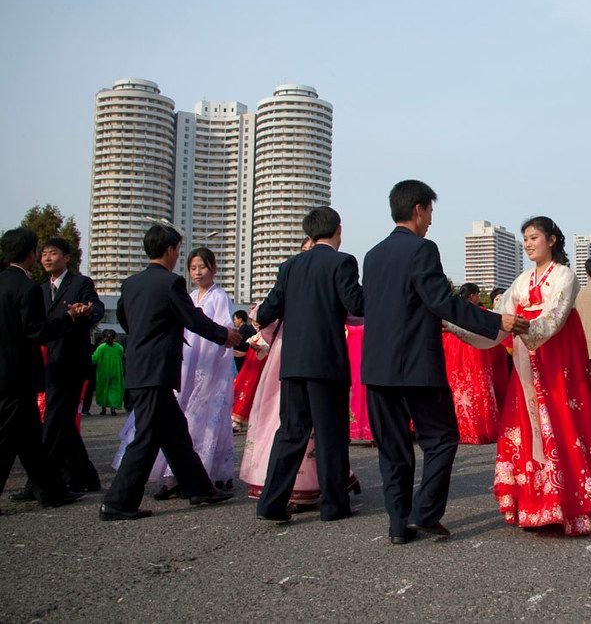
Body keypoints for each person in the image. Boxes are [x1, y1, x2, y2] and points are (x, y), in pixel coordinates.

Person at [361, 180, 526, 545]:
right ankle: (425, 512)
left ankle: (398, 526)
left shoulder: (372, 256)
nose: (432, 220)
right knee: (442, 439)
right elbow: (442, 302)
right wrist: (495, 320)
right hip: (416, 367)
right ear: (418, 209)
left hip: (376, 368)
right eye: (431, 212)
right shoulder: (422, 250)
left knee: (393, 450)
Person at [454, 217, 591, 535]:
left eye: (534, 237)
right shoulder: (520, 282)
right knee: (526, 428)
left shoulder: (565, 275)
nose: (527, 243)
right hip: (526, 370)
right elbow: (497, 320)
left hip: (556, 366)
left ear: (551, 240)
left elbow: (555, 315)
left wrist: (524, 327)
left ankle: (571, 504)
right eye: (525, 238)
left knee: (562, 423)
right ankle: (533, 504)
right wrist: (458, 325)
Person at [100, 225, 239, 520]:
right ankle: (117, 502)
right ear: (170, 251)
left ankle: (199, 488)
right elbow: (192, 319)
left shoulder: (131, 284)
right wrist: (225, 336)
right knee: (147, 437)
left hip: (139, 366)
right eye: (178, 250)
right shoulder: (171, 283)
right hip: (158, 369)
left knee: (175, 433)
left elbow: (126, 321)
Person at [255, 207, 364, 524]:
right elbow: (355, 304)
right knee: (331, 435)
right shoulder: (342, 262)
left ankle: (271, 503)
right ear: (338, 230)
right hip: (326, 361)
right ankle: (333, 505)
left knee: (291, 432)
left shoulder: (290, 266)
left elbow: (268, 310)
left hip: (293, 362)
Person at [1, 228, 88, 511]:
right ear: (31, 254)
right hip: (18, 373)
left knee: (30, 439)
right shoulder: (27, 288)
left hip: (7, 372)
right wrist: (69, 317)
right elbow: (36, 331)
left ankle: (51, 492)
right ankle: (52, 491)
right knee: (8, 438)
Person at [37, 237, 104, 493]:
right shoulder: (41, 290)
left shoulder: (80, 283)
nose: (47, 258)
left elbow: (96, 307)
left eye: (52, 253)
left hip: (72, 362)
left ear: (66, 258)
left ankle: (42, 479)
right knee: (62, 421)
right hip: (48, 363)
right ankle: (84, 476)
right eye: (43, 254)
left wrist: (88, 312)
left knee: (54, 420)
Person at [441, 283, 508, 444]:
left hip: (454, 356)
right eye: (478, 294)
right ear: (472, 296)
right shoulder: (479, 312)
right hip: (475, 354)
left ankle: (461, 430)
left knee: (458, 390)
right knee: (479, 387)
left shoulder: (452, 312)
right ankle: (481, 430)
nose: (479, 297)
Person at [91, 330, 125, 415]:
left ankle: (103, 409)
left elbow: (94, 359)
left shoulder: (102, 347)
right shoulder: (119, 347)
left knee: (103, 389)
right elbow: (122, 355)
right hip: (116, 372)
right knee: (114, 390)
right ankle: (113, 409)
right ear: (115, 337)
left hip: (104, 372)